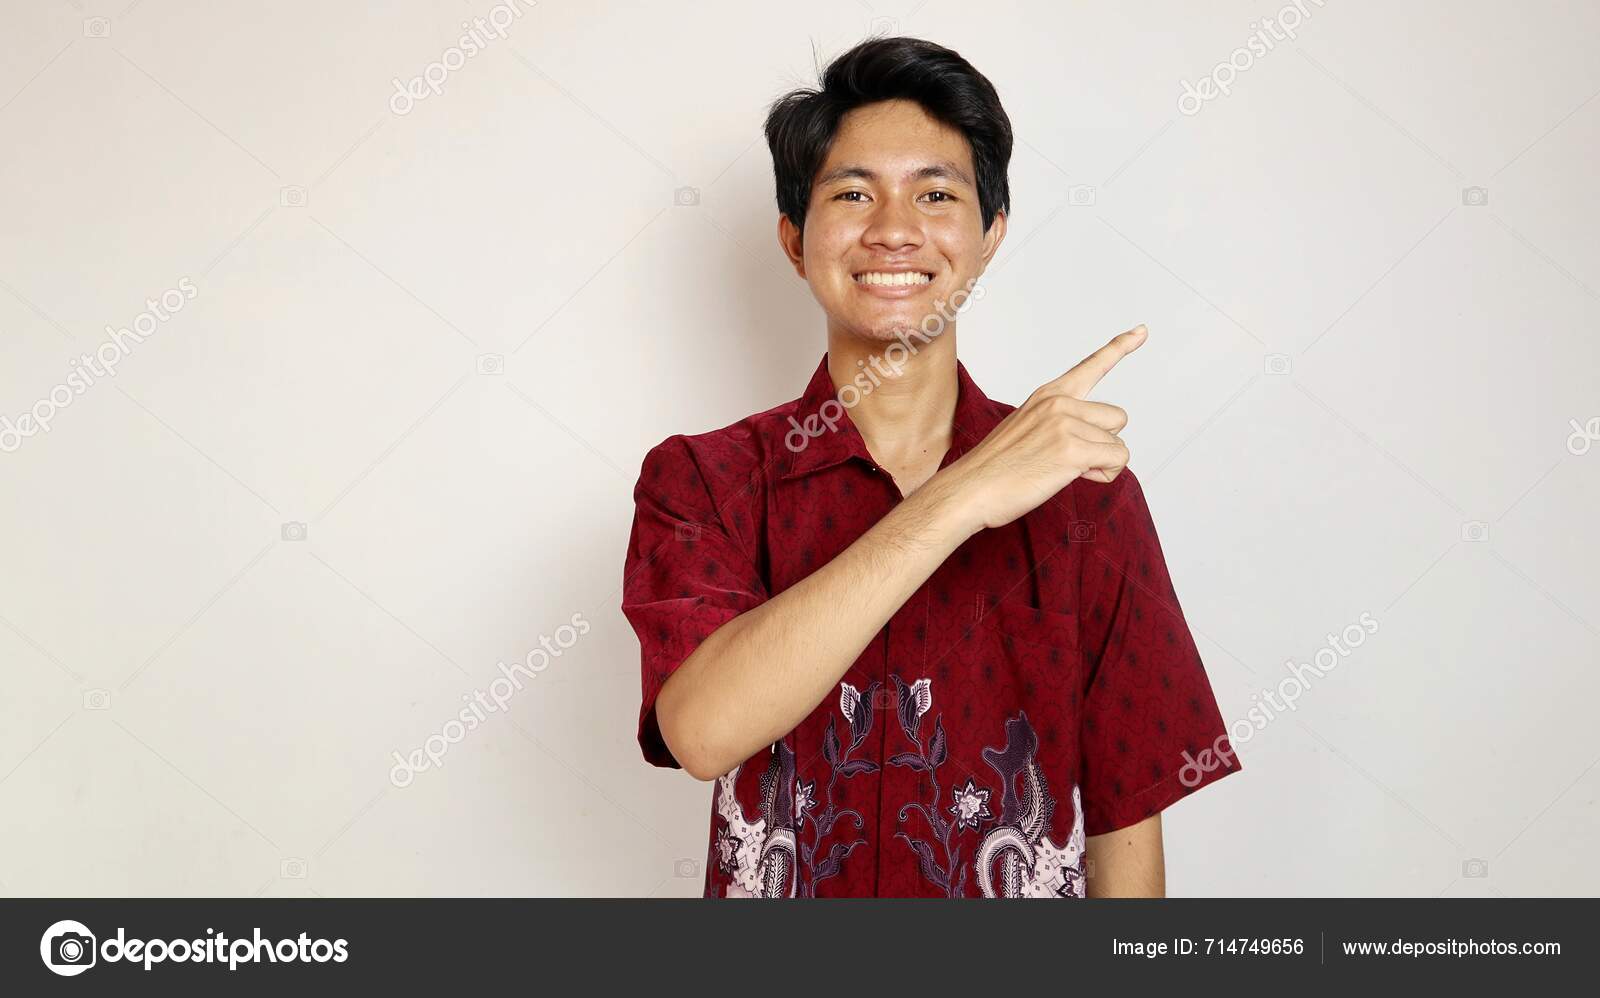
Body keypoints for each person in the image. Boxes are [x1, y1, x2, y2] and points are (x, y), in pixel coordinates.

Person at [622, 36, 1240, 898]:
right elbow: (702, 732)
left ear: (989, 235)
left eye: (936, 193)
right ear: (795, 239)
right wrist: (963, 496)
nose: (895, 230)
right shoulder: (703, 481)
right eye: (852, 193)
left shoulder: (1085, 496)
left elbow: (1124, 823)